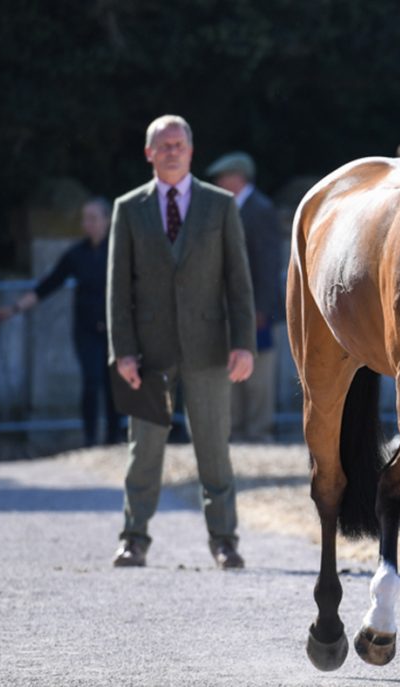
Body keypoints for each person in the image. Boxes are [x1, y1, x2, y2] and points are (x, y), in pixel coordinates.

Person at [108, 115, 256, 570]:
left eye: (179, 143)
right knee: (144, 452)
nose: (172, 150)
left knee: (214, 449)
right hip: (149, 355)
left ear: (191, 152)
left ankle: (224, 541)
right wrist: (123, 351)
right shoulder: (129, 208)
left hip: (210, 349)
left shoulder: (219, 205)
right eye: (163, 145)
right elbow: (118, 289)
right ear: (149, 153)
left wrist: (244, 343)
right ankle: (134, 538)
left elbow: (238, 279)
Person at [0, 197, 122, 447]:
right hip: (86, 330)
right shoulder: (77, 254)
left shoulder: (120, 251)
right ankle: (90, 440)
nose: (88, 224)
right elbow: (48, 285)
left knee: (114, 383)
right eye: (86, 219)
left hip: (115, 329)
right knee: (91, 381)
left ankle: (113, 439)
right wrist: (13, 309)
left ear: (107, 220)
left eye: (93, 218)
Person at [206, 152, 282, 443]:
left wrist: (261, 308)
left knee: (259, 369)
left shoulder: (259, 209)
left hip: (254, 307)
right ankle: (235, 429)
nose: (219, 182)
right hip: (229, 307)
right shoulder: (229, 208)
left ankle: (258, 430)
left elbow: (268, 262)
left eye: (223, 177)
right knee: (231, 365)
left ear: (238, 177)